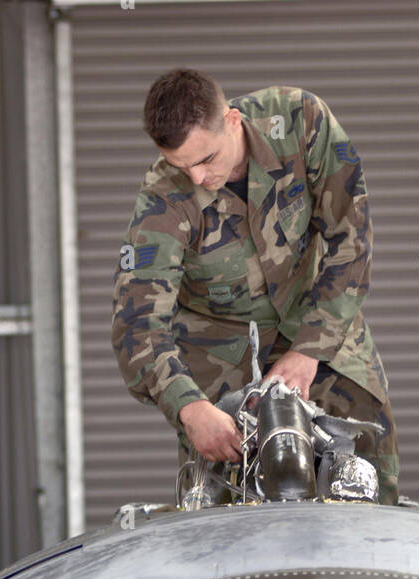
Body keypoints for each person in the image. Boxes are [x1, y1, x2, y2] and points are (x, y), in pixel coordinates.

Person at [112, 69, 398, 505]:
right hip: (224, 367)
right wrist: (190, 408)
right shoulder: (163, 196)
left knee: (368, 485)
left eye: (206, 159)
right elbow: (137, 324)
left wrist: (309, 352)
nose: (196, 178)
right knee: (227, 525)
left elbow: (351, 241)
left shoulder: (302, 122)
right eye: (180, 165)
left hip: (323, 332)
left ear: (231, 121)